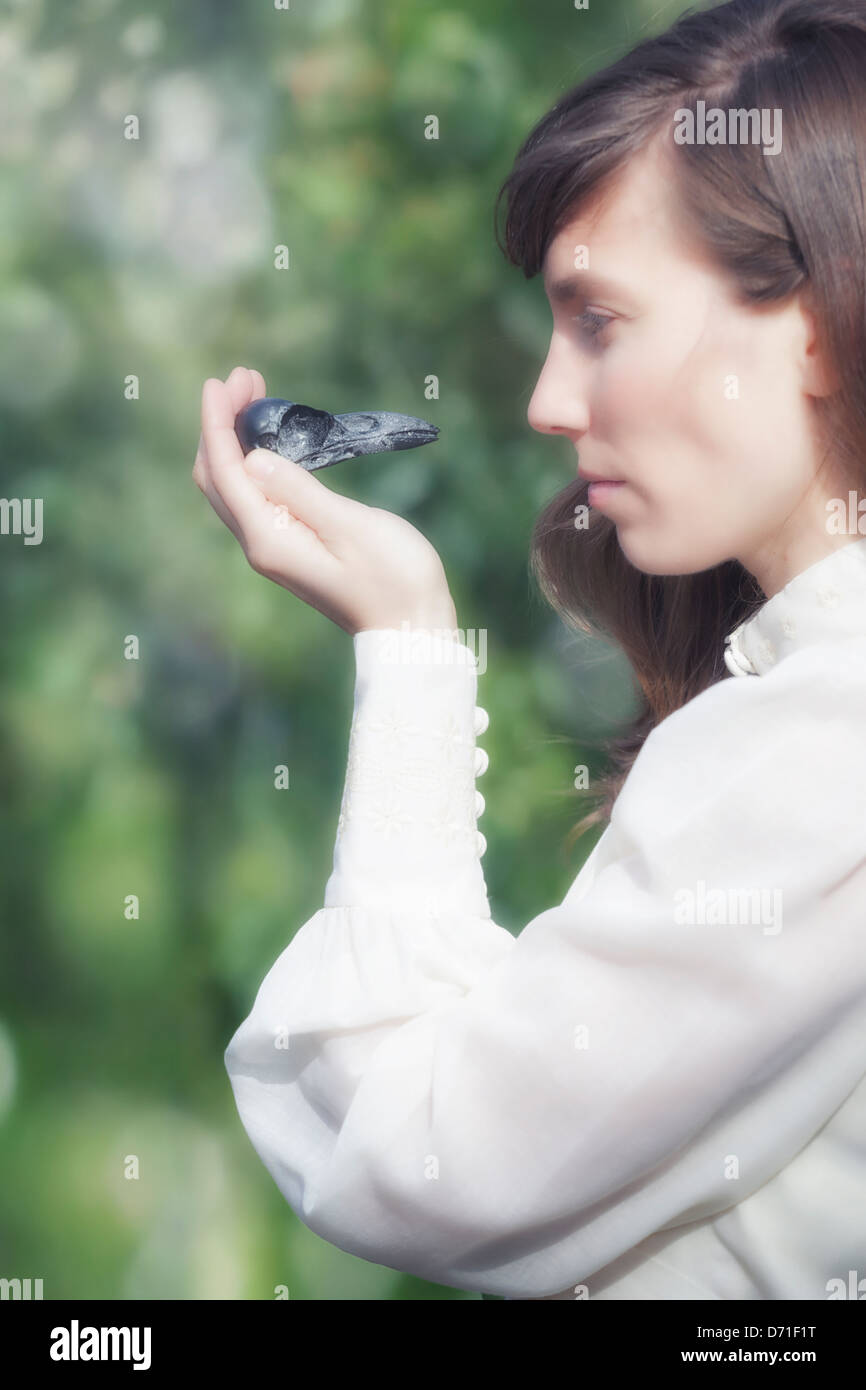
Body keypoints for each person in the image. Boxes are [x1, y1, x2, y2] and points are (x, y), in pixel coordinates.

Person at [193, 0, 866, 1300]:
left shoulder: (821, 734)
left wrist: (408, 653)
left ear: (816, 334)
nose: (549, 401)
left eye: (599, 319)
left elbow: (421, 1156)